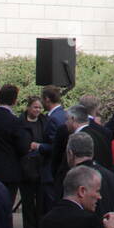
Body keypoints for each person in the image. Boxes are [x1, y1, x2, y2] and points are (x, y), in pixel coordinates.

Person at [17, 96, 47, 228]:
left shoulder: (44, 122)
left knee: (40, 198)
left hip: (40, 164)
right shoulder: (19, 122)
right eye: (35, 107)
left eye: (39, 107)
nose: (37, 110)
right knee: (27, 198)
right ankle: (29, 227)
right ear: (28, 107)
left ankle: (40, 225)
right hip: (25, 165)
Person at [37, 86, 67, 214]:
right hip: (59, 168)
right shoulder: (64, 114)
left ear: (47, 99)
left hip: (51, 168)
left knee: (50, 204)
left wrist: (39, 146)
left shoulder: (54, 118)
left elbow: (55, 145)